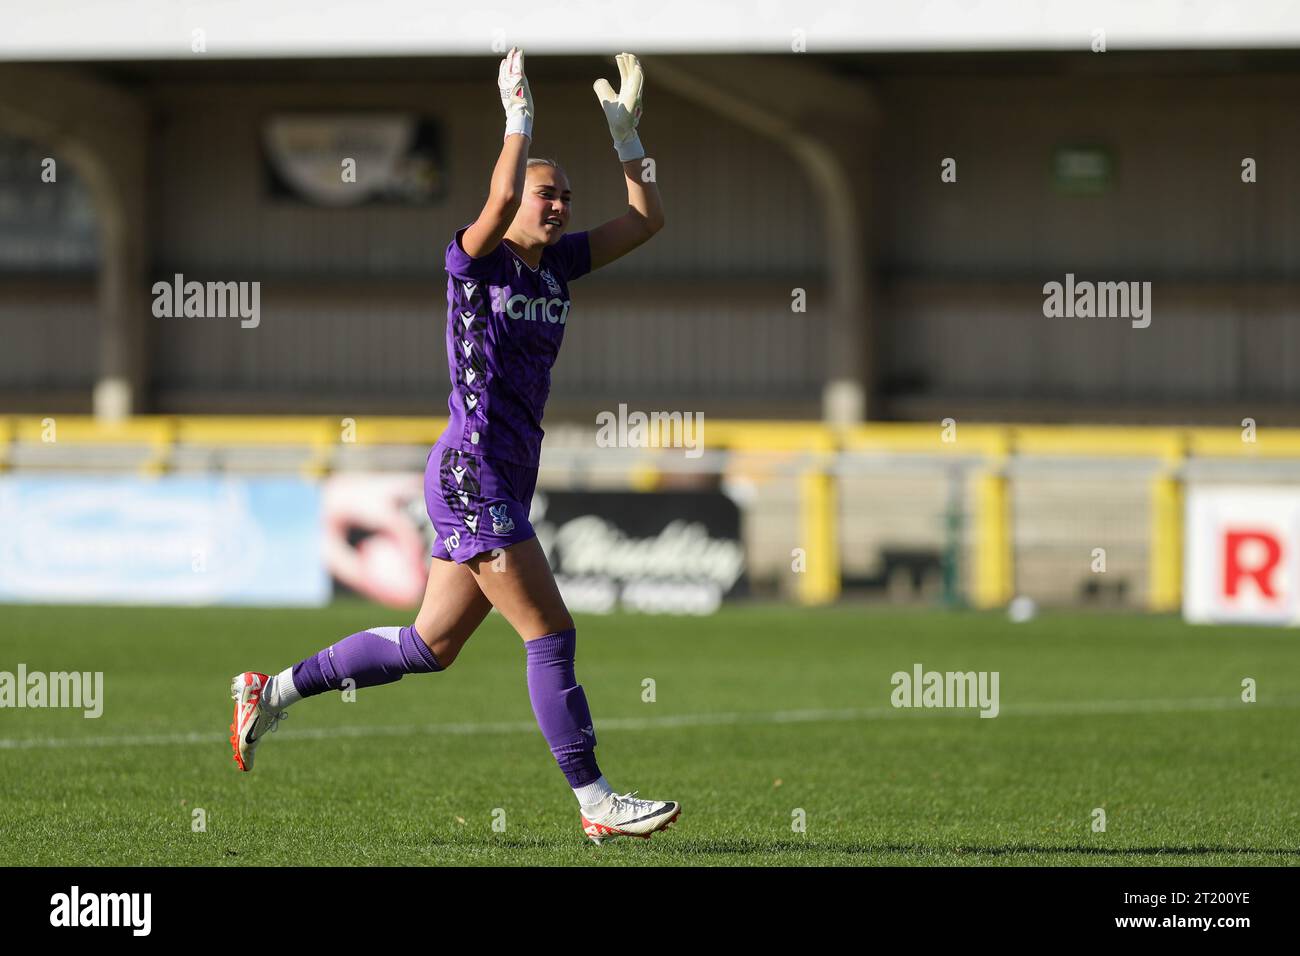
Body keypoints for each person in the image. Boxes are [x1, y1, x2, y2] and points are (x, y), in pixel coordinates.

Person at [230, 49, 677, 845]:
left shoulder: (555, 270)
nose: (560, 208)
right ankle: (597, 801)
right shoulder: (474, 261)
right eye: (549, 195)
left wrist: (627, 141)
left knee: (427, 647)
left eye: (567, 198)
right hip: (472, 474)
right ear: (510, 207)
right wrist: (517, 118)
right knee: (551, 634)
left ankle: (270, 692)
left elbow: (646, 221)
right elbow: (501, 189)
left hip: (496, 476)